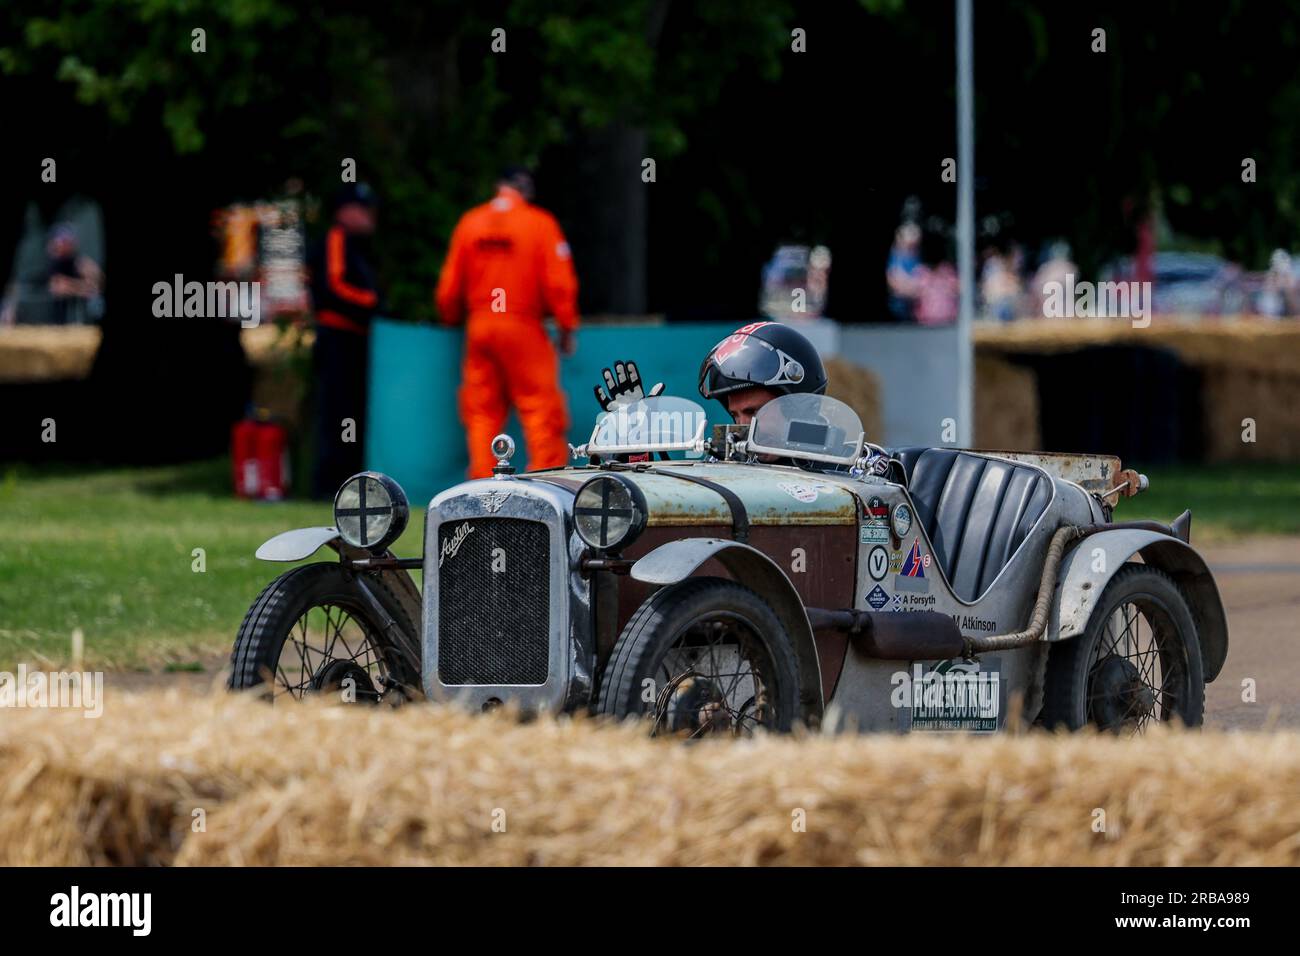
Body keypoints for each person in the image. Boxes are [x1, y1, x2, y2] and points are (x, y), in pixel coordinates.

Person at [436, 166, 579, 478]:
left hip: (480, 327)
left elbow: (448, 289)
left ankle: (482, 491)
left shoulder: (470, 223)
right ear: (526, 190)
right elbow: (560, 285)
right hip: (522, 327)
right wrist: (567, 327)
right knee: (541, 410)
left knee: (481, 414)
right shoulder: (539, 223)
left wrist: (450, 318)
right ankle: (546, 482)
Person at [308, 182, 382, 498]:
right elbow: (334, 286)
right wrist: (371, 303)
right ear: (345, 212)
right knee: (337, 412)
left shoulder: (359, 246)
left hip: (354, 341)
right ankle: (329, 484)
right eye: (362, 210)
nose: (369, 217)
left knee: (351, 412)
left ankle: (348, 480)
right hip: (338, 339)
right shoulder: (336, 239)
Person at [45, 224, 103, 325]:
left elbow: (97, 282)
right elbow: (58, 287)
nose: (62, 245)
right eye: (60, 242)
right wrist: (82, 288)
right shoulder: (54, 263)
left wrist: (86, 286)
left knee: (95, 300)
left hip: (81, 315)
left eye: (67, 241)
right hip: (56, 318)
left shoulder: (79, 262)